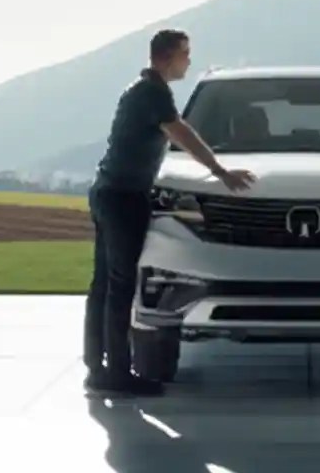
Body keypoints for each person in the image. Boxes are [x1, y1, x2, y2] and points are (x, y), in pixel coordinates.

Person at [83, 29, 256, 396]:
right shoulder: (153, 93)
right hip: (124, 198)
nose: (188, 61)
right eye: (184, 54)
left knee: (103, 285)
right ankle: (116, 372)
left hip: (106, 192)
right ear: (166, 57)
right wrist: (221, 171)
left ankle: (96, 368)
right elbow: (182, 134)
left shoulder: (140, 89)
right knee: (120, 285)